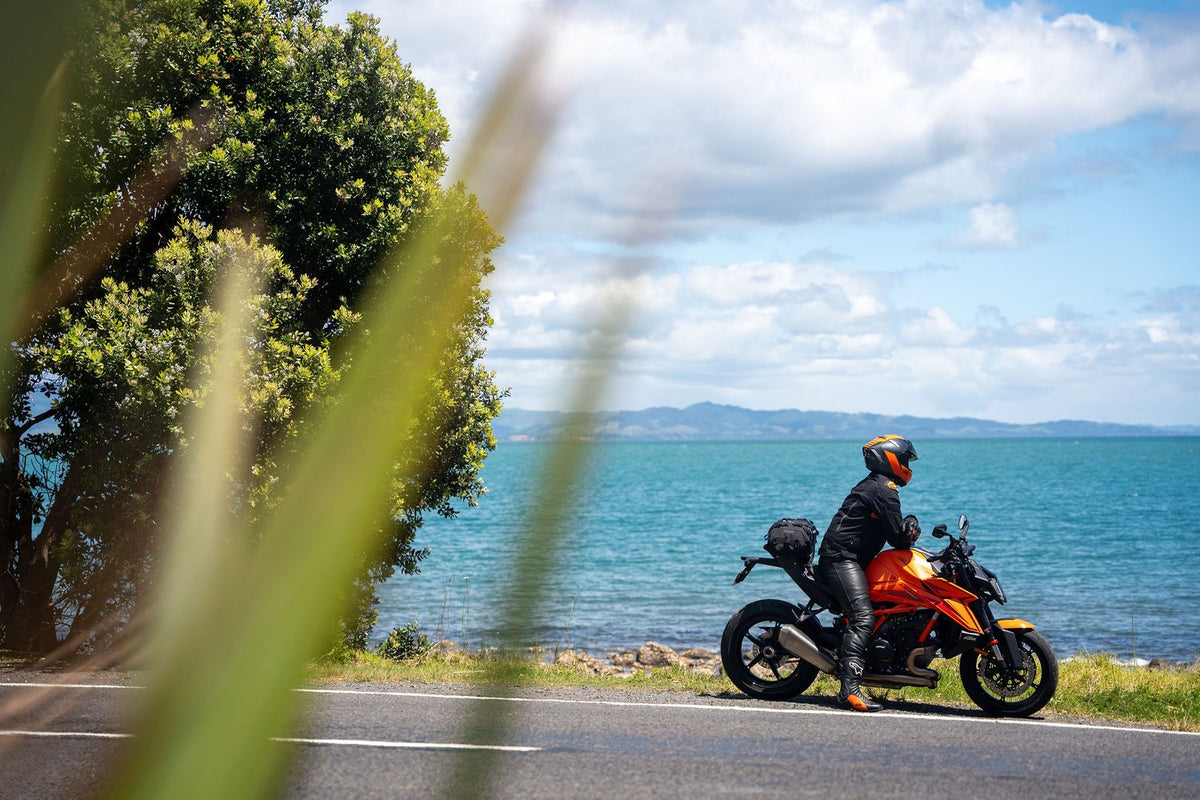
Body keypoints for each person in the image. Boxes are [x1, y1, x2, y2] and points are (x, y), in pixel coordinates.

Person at [817, 435, 921, 712]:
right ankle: (848, 691)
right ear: (891, 459)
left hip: (850, 559)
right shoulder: (884, 489)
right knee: (863, 617)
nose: (907, 465)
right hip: (841, 560)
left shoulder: (877, 486)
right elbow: (899, 538)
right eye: (905, 459)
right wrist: (911, 524)